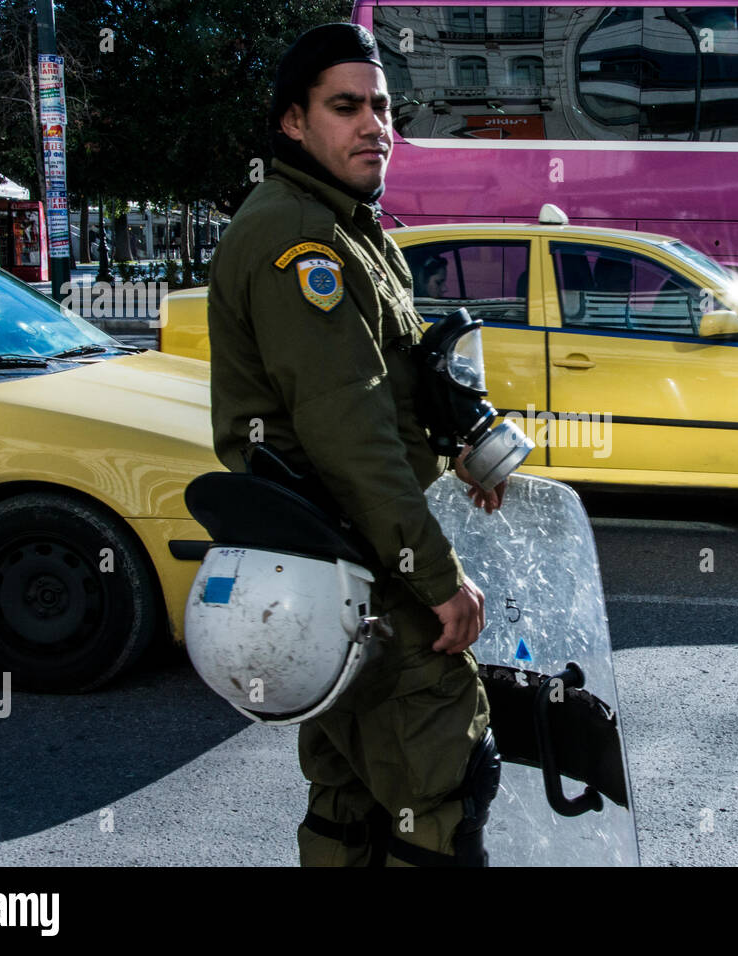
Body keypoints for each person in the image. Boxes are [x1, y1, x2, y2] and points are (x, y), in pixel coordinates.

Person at [205, 23, 506, 867]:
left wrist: (457, 440)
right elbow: (352, 437)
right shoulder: (301, 242)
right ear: (293, 122)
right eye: (346, 107)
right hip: (359, 563)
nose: (375, 125)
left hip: (330, 574)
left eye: (381, 106)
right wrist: (438, 580)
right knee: (445, 786)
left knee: (351, 798)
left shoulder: (345, 226)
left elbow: (387, 387)